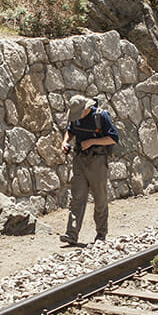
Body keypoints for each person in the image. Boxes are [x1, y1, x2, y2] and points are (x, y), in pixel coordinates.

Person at [61, 94, 118, 244]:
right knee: (77, 197)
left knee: (100, 198)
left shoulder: (101, 117)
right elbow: (70, 130)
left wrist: (92, 141)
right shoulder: (77, 118)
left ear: (86, 108)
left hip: (97, 161)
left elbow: (113, 138)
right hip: (80, 159)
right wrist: (65, 142)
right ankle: (71, 234)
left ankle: (101, 234)